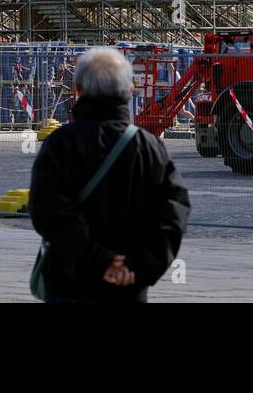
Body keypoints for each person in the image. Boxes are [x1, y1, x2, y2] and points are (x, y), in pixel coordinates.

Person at [29, 46, 190, 303]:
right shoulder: (149, 147)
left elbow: (48, 212)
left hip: (70, 281)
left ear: (78, 89)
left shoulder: (59, 145)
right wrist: (139, 267)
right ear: (129, 90)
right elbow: (172, 212)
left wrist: (98, 258)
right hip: (128, 285)